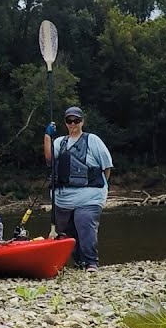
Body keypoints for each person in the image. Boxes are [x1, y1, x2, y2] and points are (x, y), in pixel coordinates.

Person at [43, 106, 113, 270]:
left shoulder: (92, 140)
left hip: (89, 196)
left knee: (84, 223)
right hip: (63, 198)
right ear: (65, 122)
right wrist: (47, 135)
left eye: (76, 120)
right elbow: (49, 160)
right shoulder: (60, 142)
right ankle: (79, 262)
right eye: (69, 120)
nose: (73, 123)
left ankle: (91, 262)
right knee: (67, 232)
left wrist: (100, 186)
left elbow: (106, 167)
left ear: (82, 122)